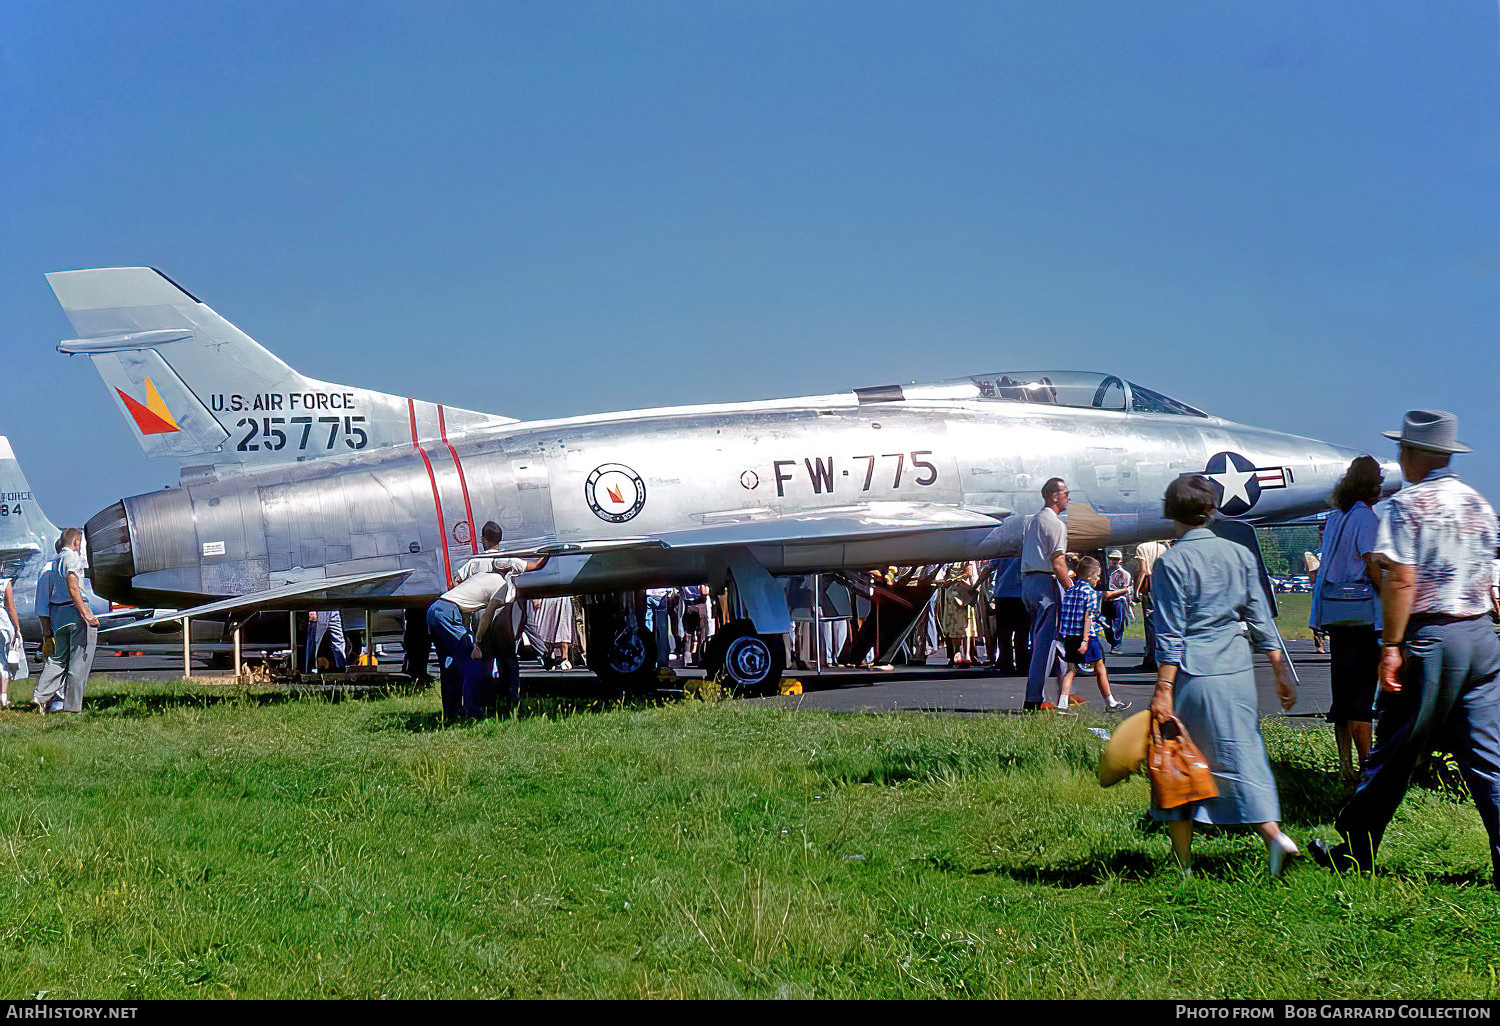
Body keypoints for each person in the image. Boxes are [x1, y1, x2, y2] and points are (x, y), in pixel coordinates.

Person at [1310, 411, 1500, 884]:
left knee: (1394, 749)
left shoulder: (1407, 505)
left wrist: (1392, 645)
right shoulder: (1477, 502)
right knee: (1488, 758)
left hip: (1432, 638)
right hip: (1480, 635)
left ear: (1414, 454)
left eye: (1402, 450)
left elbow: (1402, 581)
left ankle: (1354, 849)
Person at [1148, 476, 1299, 877]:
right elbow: (1260, 617)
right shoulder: (1239, 554)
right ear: (1211, 510)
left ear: (1169, 511)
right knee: (1243, 754)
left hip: (1195, 675)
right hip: (1236, 669)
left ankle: (1182, 865)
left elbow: (1170, 632)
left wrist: (1163, 688)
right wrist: (1280, 670)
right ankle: (1275, 837)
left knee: (1179, 760)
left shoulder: (1171, 562)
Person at [1309, 455, 1386, 783]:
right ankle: (1367, 767)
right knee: (1362, 694)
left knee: (1341, 692)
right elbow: (1371, 563)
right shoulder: (1365, 518)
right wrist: (1389, 594)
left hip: (1335, 611)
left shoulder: (1336, 516)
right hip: (1362, 614)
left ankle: (1344, 765)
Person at [426, 530, 549, 718]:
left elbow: (454, 581)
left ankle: (452, 712)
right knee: (484, 659)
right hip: (480, 617)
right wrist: (548, 551)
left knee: (452, 662)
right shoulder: (501, 581)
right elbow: (535, 566)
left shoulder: (475, 564)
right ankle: (481, 709)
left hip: (438, 608)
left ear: (483, 538)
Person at [32, 528, 99, 715]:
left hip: (58, 613)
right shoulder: (72, 559)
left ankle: (40, 696)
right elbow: (73, 587)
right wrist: (86, 614)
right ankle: (71, 707)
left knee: (57, 659)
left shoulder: (54, 563)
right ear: (76, 542)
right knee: (79, 661)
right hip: (74, 611)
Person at [1021, 478, 1073, 710]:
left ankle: (1064, 693)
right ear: (1054, 496)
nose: (1068, 497)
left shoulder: (1032, 521)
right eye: (1065, 493)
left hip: (1029, 582)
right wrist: (1073, 590)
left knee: (1048, 640)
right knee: (1046, 645)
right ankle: (1034, 699)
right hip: (1045, 584)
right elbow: (1058, 562)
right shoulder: (1056, 524)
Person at [1055, 556, 1130, 713]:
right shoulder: (1090, 593)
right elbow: (1088, 617)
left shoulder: (1071, 590)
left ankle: (1062, 703)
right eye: (1097, 576)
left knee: (1070, 669)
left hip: (1070, 636)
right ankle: (1110, 701)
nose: (1098, 579)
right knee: (1100, 667)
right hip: (1087, 636)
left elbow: (1066, 614)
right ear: (1090, 577)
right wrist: (1085, 640)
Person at [980, 556, 1028, 675]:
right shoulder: (1025, 550)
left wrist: (976, 585)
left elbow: (989, 568)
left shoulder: (1002, 551)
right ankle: (1022, 663)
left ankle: (1006, 663)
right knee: (1021, 633)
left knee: (1004, 632)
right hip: (1021, 593)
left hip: (1003, 593)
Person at [1132, 538, 1169, 672]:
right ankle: (1158, 656)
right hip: (1162, 586)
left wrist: (1136, 589)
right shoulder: (1163, 547)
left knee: (1149, 624)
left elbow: (1143, 570)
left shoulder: (1142, 547)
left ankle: (1151, 658)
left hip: (1149, 587)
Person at [938, 561, 979, 667]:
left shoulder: (966, 555)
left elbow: (969, 572)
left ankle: (966, 654)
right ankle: (957, 653)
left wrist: (956, 579)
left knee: (965, 624)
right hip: (951, 592)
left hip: (963, 591)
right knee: (953, 624)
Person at [1100, 549, 1134, 651]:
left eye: (1116, 559)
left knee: (1118, 623)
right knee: (1106, 623)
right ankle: (1111, 641)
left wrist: (1112, 593)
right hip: (1106, 600)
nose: (1113, 561)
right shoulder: (1106, 572)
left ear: (1120, 560)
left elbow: (1126, 588)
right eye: (1111, 559)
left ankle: (1116, 644)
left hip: (1118, 600)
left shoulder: (1124, 574)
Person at [1305, 543, 1328, 654]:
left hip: (1333, 585)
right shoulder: (1314, 553)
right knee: (1318, 613)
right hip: (1320, 587)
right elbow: (1311, 571)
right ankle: (1319, 642)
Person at [0, 575, 18, 707]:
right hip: (2, 623)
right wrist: (17, 628)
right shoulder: (5, 583)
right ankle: (3, 695)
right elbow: (11, 608)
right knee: (2, 658)